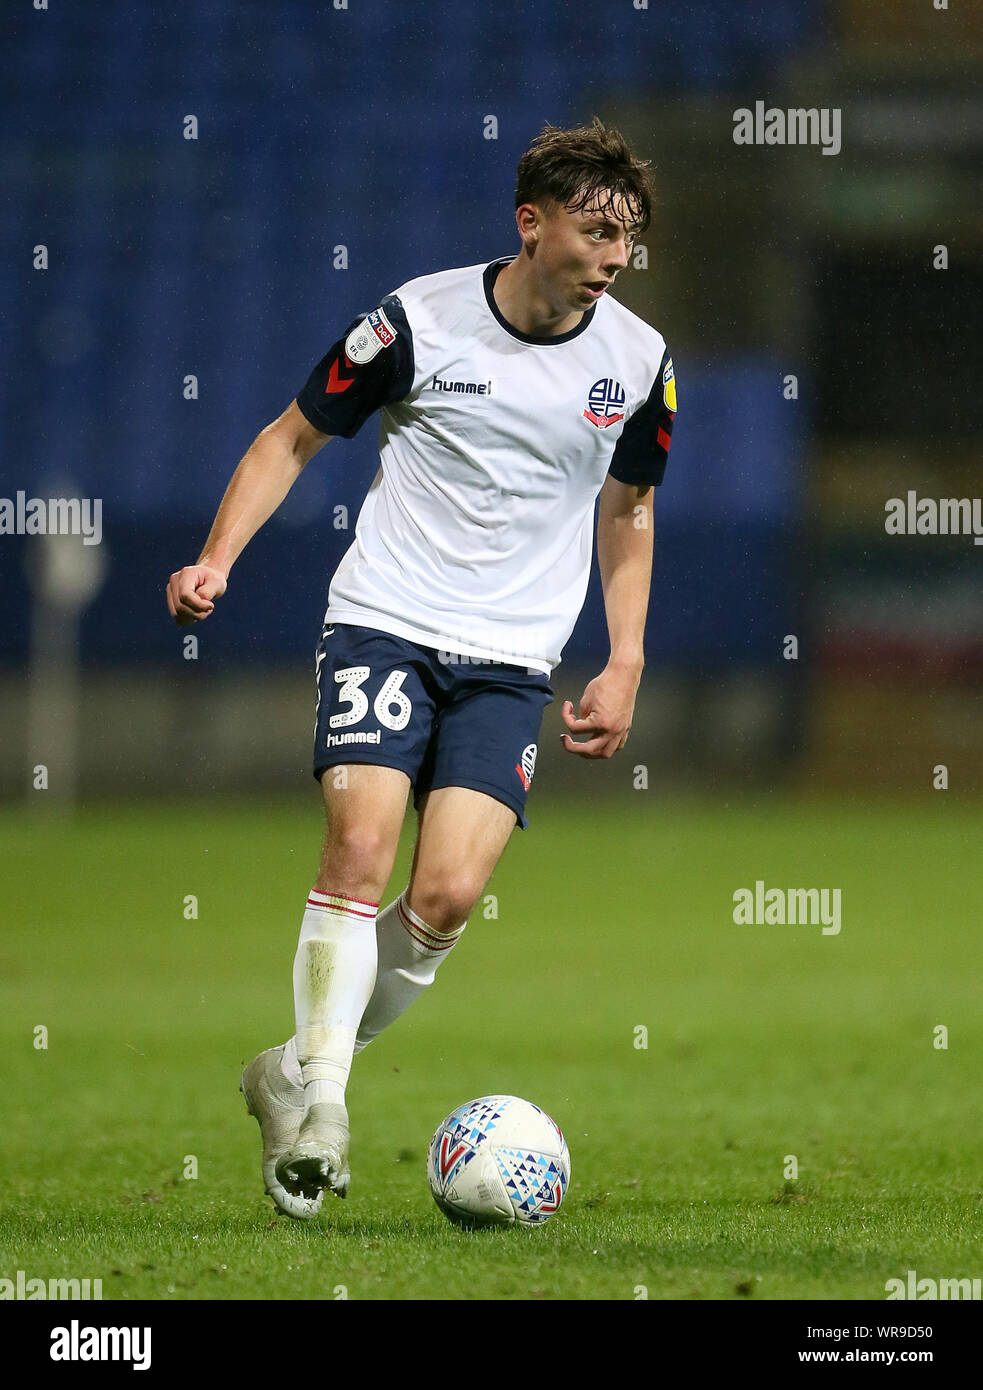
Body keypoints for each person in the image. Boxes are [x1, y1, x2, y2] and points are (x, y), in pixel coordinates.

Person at [165, 117, 676, 1219]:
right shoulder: (414, 321)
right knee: (358, 850)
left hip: (510, 660)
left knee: (443, 895)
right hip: (385, 621)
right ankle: (327, 1111)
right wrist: (216, 557)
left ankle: (285, 1071)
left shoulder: (637, 363)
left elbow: (628, 509)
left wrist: (624, 655)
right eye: (593, 231)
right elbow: (291, 436)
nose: (611, 256)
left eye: (626, 237)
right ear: (529, 222)